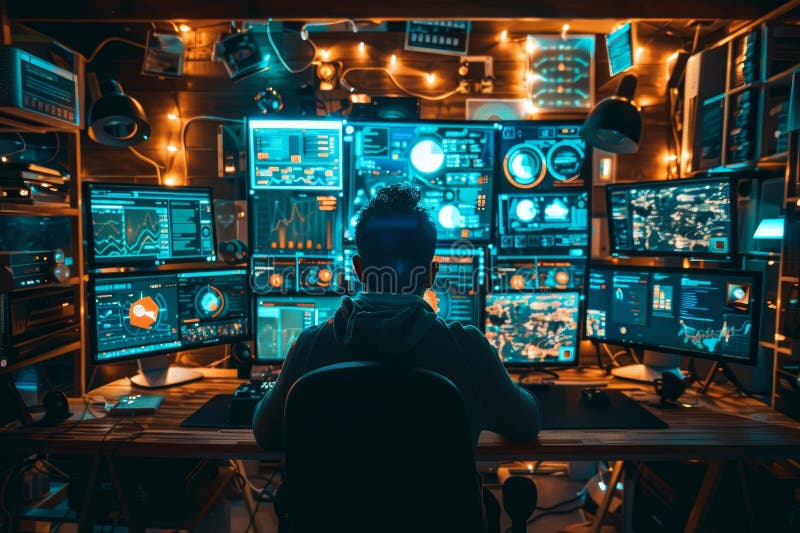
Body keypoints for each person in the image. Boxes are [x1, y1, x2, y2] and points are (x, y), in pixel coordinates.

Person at [252, 184, 542, 448]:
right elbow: (525, 424)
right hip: (437, 507)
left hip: (334, 507)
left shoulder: (310, 345)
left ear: (358, 269)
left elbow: (265, 432)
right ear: (431, 274)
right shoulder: (468, 348)